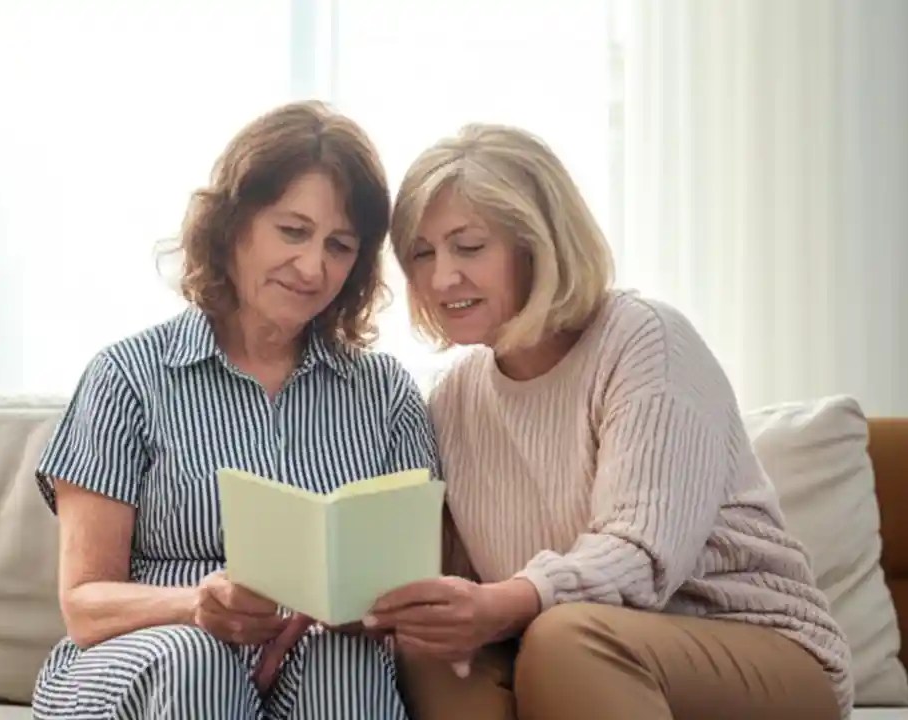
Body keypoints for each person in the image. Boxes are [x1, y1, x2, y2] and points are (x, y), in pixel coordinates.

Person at [364, 124, 853, 720]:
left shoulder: (645, 339)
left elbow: (641, 555)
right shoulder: (454, 400)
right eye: (422, 253)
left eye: (469, 247)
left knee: (568, 640)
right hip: (564, 646)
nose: (442, 279)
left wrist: (510, 602)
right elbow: (453, 582)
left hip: (758, 644)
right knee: (429, 651)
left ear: (538, 243)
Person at [29, 101, 439, 720]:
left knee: (345, 668)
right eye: (292, 231)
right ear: (233, 225)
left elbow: (413, 589)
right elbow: (85, 605)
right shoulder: (129, 377)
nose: (312, 267)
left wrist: (345, 615)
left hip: (314, 654)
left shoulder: (384, 393)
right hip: (151, 656)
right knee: (199, 660)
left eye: (339, 245)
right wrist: (199, 603)